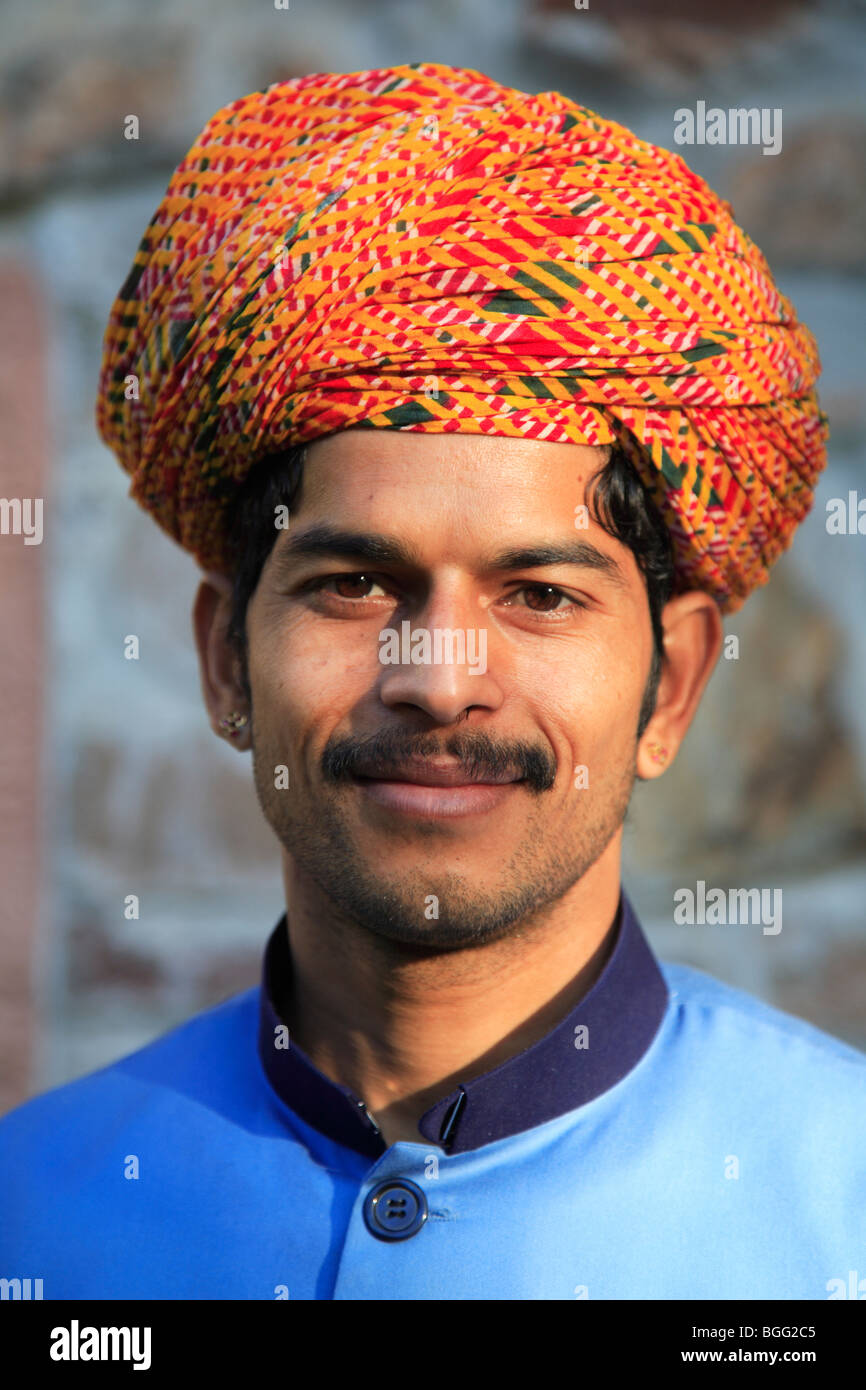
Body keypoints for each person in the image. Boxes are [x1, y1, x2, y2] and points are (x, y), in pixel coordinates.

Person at [1, 62, 862, 1301]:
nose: (438, 678)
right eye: (353, 584)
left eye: (540, 594)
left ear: (668, 686)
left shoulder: (839, 1213)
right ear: (221, 659)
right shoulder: (31, 1218)